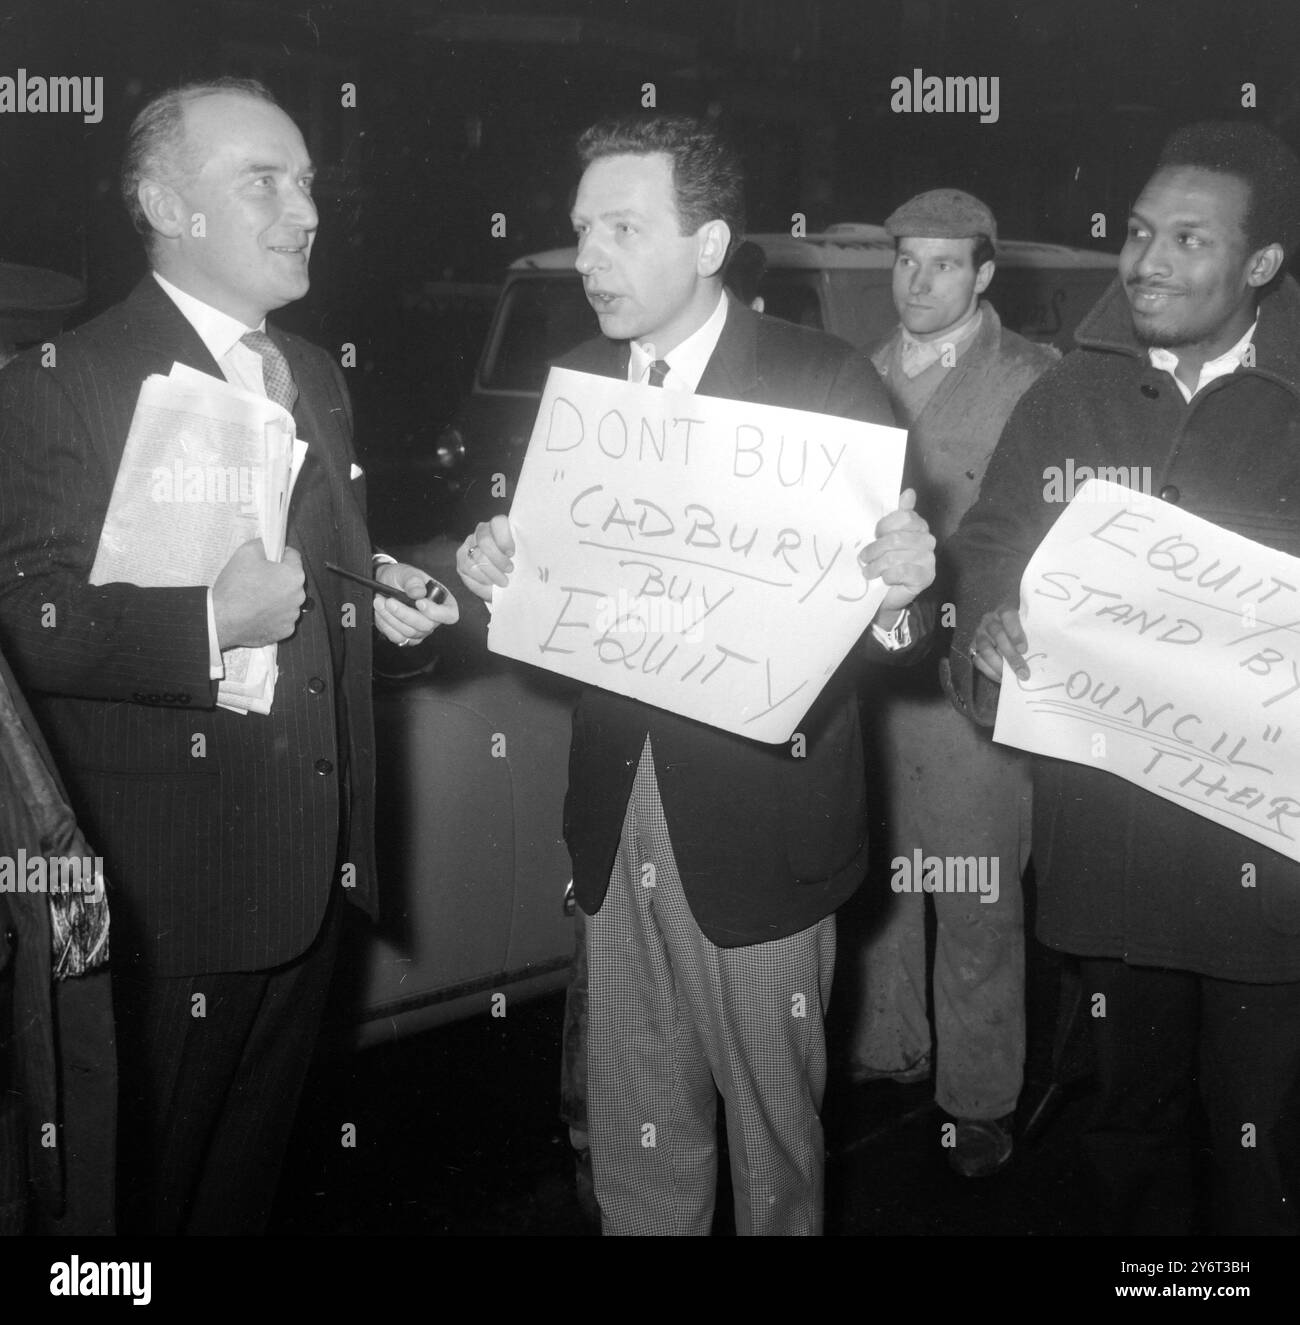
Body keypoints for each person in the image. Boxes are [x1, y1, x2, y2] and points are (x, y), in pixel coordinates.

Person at [459, 113, 936, 1236]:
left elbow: (889, 646)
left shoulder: (822, 384)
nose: (588, 259)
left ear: (711, 244)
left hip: (762, 827)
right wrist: (501, 564)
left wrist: (904, 601)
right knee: (637, 1129)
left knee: (777, 1146)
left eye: (623, 228)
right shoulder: (576, 382)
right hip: (613, 816)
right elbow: (561, 582)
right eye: (582, 230)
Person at [0, 77, 456, 1235]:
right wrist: (206, 622)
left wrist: (379, 601)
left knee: (237, 1197)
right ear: (164, 202)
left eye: (306, 181)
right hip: (170, 895)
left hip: (310, 880)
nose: (305, 208)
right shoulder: (66, 384)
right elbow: (24, 619)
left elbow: (308, 588)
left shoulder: (312, 372)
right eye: (264, 180)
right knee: (126, 1208)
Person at [946, 120, 1300, 1233]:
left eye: (1186, 239)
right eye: (1139, 233)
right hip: (1113, 858)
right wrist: (989, 636)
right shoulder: (1061, 400)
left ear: (1258, 266)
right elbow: (988, 553)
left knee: (1266, 1137)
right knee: (1129, 1136)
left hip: (1269, 870)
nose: (1144, 261)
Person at [848, 190, 1056, 1177]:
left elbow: (1060, 536)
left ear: (982, 274)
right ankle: (892, 1043)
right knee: (885, 871)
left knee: (973, 891)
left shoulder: (1033, 380)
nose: (916, 282)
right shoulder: (856, 374)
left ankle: (978, 1098)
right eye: (903, 262)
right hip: (872, 670)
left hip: (971, 681)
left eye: (940, 264)